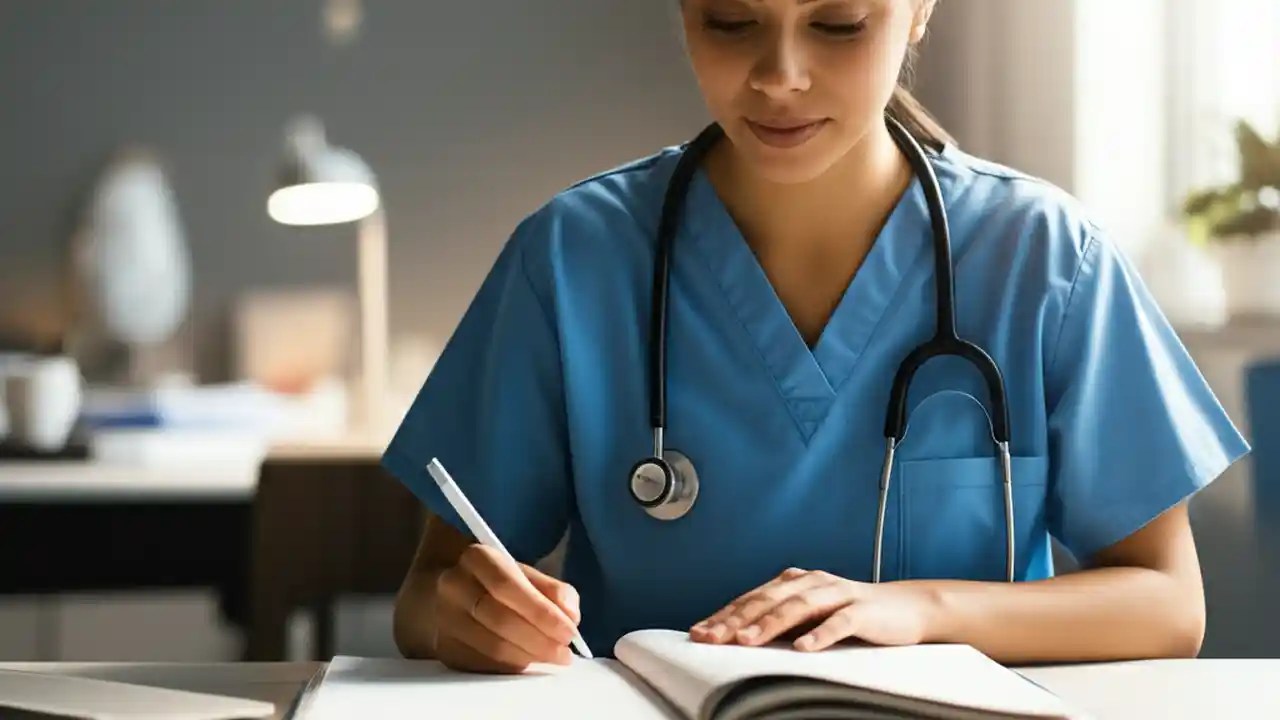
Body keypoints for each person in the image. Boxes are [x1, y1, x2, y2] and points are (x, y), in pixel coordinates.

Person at [382, 0, 1250, 674]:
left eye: (837, 24)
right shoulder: (573, 258)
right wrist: (469, 621)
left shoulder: (1046, 259)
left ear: (918, 11)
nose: (780, 75)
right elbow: (432, 594)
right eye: (730, 21)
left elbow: (1169, 605)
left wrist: (921, 611)